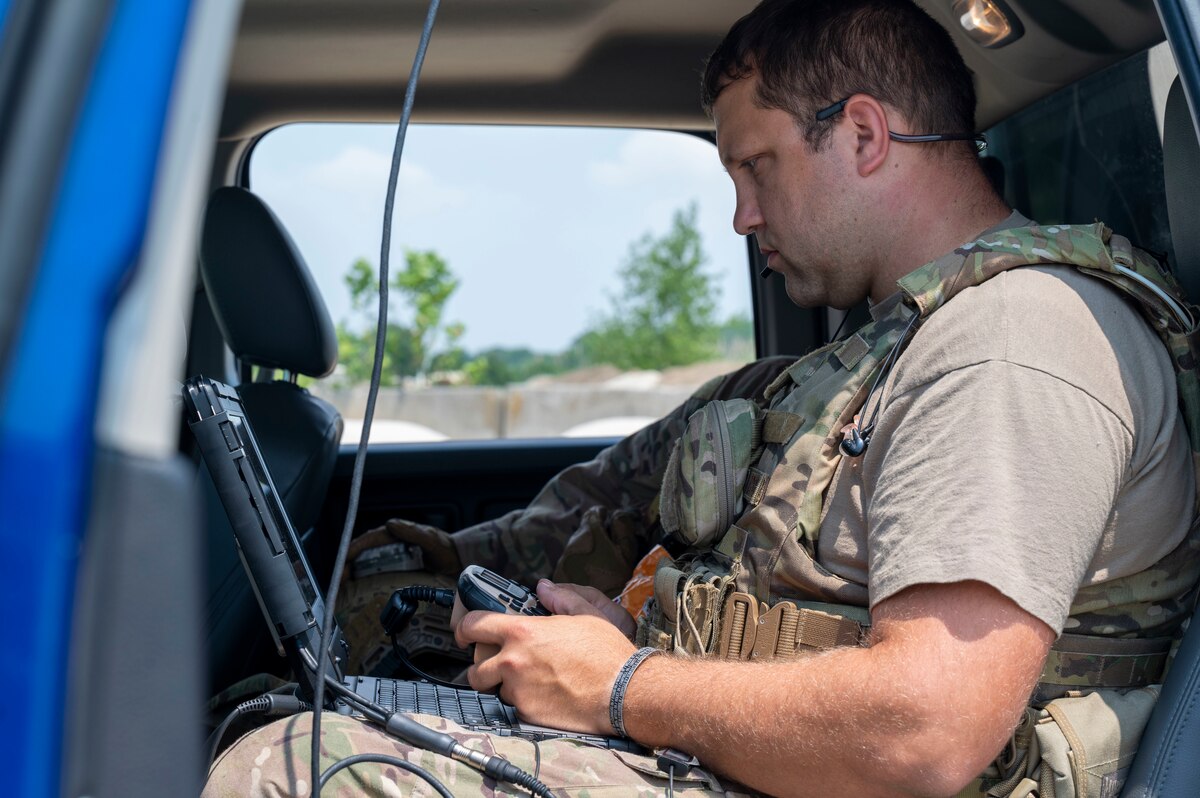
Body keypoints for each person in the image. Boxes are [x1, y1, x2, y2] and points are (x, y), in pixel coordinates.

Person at [204, 1, 1200, 796]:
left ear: (863, 134)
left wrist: (620, 684)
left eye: (757, 166)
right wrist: (629, 637)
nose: (740, 214)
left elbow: (926, 730)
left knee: (293, 772)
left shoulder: (1016, 343)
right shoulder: (884, 353)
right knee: (278, 708)